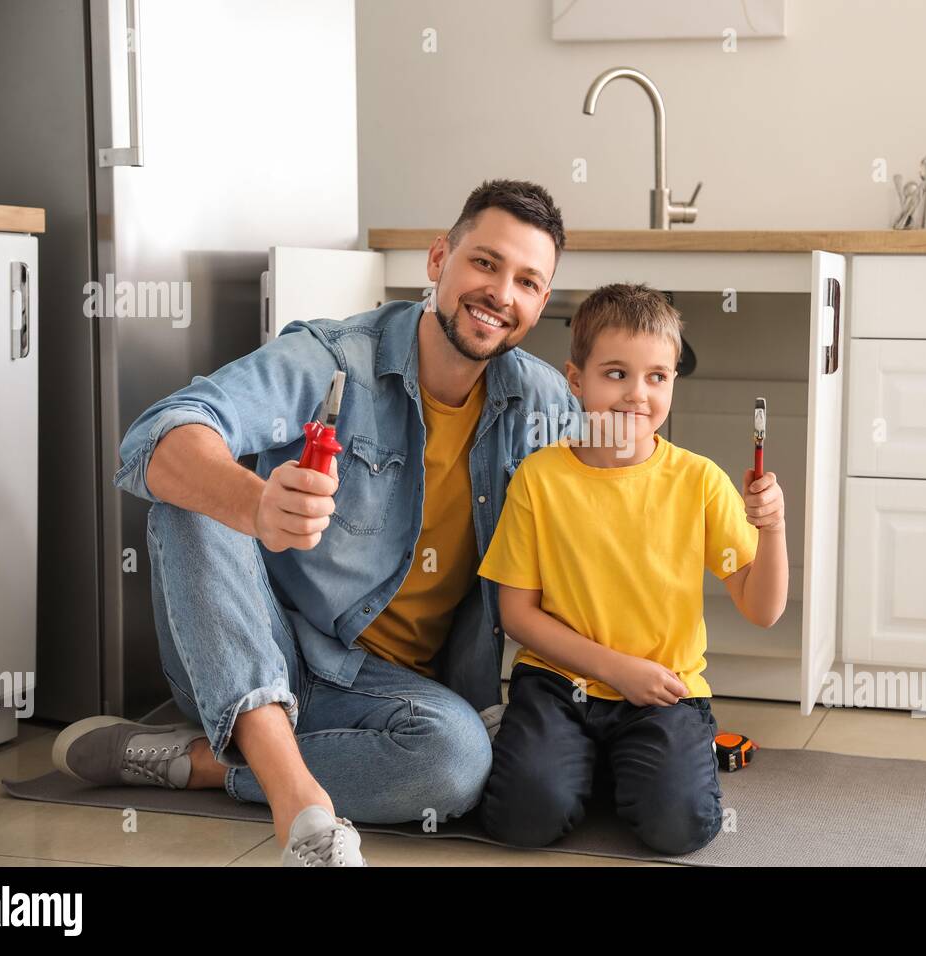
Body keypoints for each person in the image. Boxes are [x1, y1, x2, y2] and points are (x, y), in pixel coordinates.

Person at [51, 180, 580, 866]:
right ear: (439, 258)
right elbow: (157, 435)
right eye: (485, 263)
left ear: (541, 303)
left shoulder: (542, 404)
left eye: (527, 281)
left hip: (377, 689)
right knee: (194, 501)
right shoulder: (332, 358)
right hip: (244, 643)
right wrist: (256, 505)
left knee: (458, 762)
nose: (500, 293)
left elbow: (617, 508)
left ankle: (203, 763)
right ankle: (303, 814)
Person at [475, 283, 789, 855]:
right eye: (615, 373)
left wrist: (774, 529)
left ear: (672, 380)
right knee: (521, 820)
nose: (637, 395)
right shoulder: (540, 479)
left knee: (679, 829)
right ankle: (574, 759)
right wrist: (618, 670)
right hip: (557, 683)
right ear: (577, 380)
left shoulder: (699, 481)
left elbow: (763, 610)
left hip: (663, 692)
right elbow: (517, 614)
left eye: (657, 377)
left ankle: (612, 765)